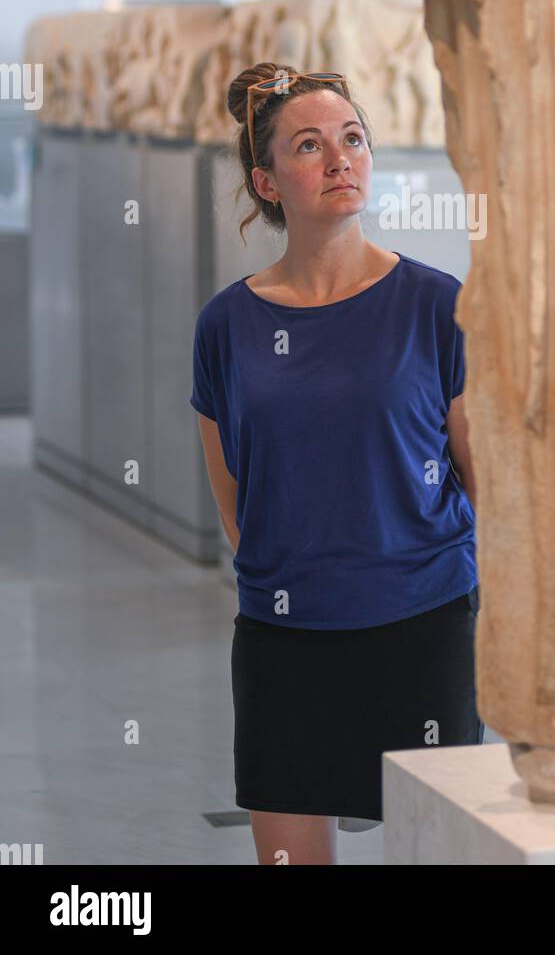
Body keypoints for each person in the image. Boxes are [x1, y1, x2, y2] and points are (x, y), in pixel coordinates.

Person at [190, 64, 482, 864]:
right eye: (310, 145)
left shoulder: (435, 305)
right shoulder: (227, 326)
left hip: (423, 625)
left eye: (352, 139)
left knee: (444, 851)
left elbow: (482, 482)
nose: (339, 159)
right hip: (288, 637)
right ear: (267, 181)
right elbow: (234, 500)